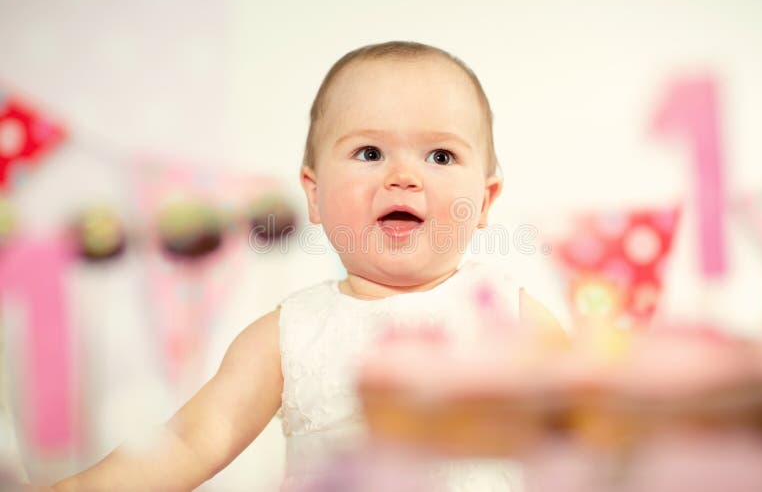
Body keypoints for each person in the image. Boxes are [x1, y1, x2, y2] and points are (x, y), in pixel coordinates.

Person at [48, 41, 566, 491]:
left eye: (440, 157)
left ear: (484, 201)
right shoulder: (287, 333)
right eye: (370, 153)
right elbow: (190, 441)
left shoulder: (511, 316)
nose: (404, 176)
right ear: (314, 195)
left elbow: (587, 431)